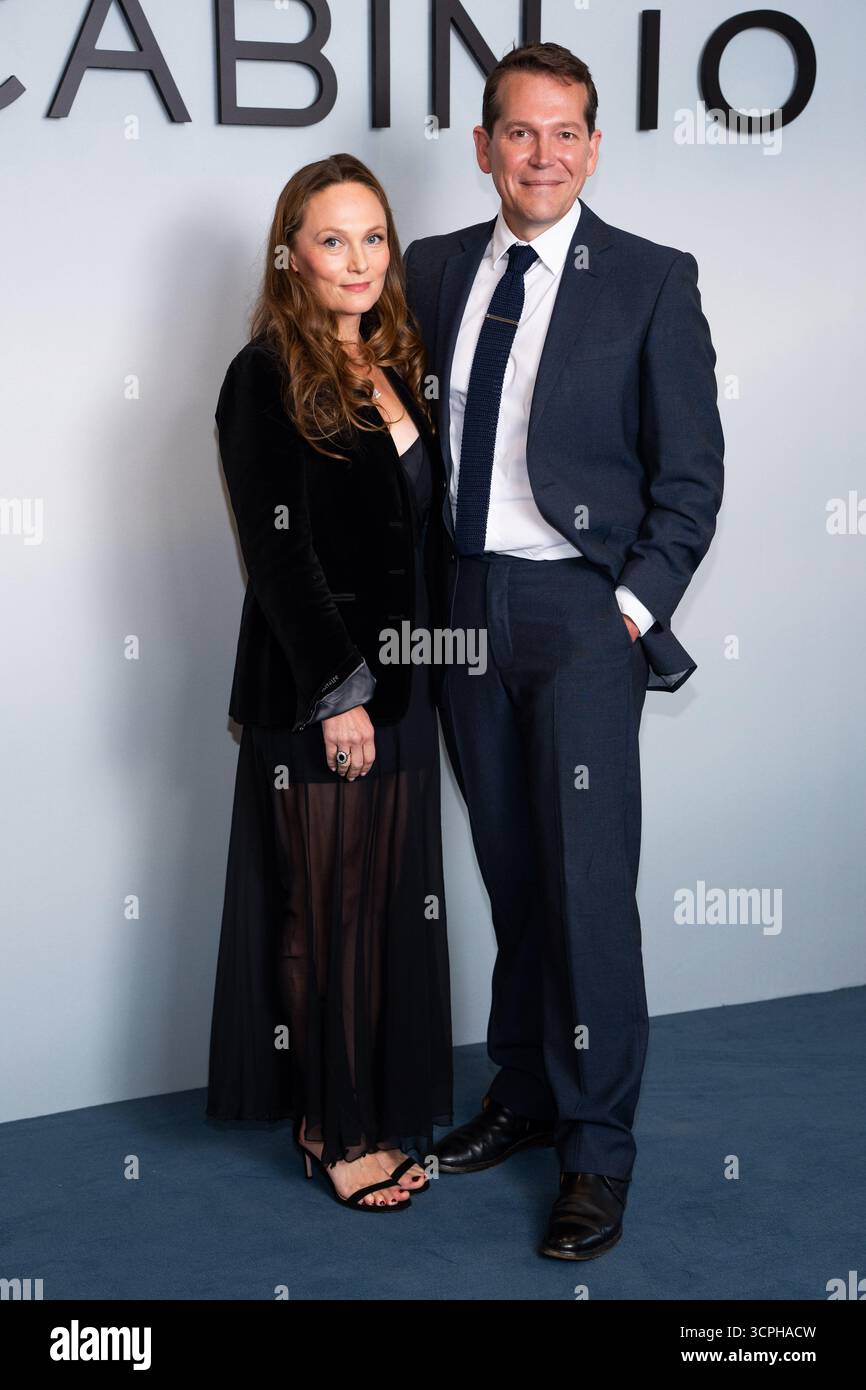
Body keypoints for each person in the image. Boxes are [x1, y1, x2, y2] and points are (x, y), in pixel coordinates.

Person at [405, 43, 724, 1256]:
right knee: (513, 872)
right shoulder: (432, 271)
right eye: (517, 132)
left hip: (580, 619)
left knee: (588, 887)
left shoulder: (647, 278)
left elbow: (688, 478)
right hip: (462, 610)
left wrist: (627, 610)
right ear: (483, 146)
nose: (540, 154)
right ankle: (525, 1093)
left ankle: (596, 1150)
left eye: (564, 133)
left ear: (592, 148)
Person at [206, 154, 453, 1212]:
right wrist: (338, 692)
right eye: (331, 239)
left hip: (406, 689)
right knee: (326, 914)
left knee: (380, 912)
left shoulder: (398, 366)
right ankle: (333, 1129)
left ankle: (366, 1104)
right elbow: (277, 553)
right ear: (291, 255)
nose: (356, 260)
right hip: (323, 695)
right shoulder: (262, 375)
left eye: (372, 238)